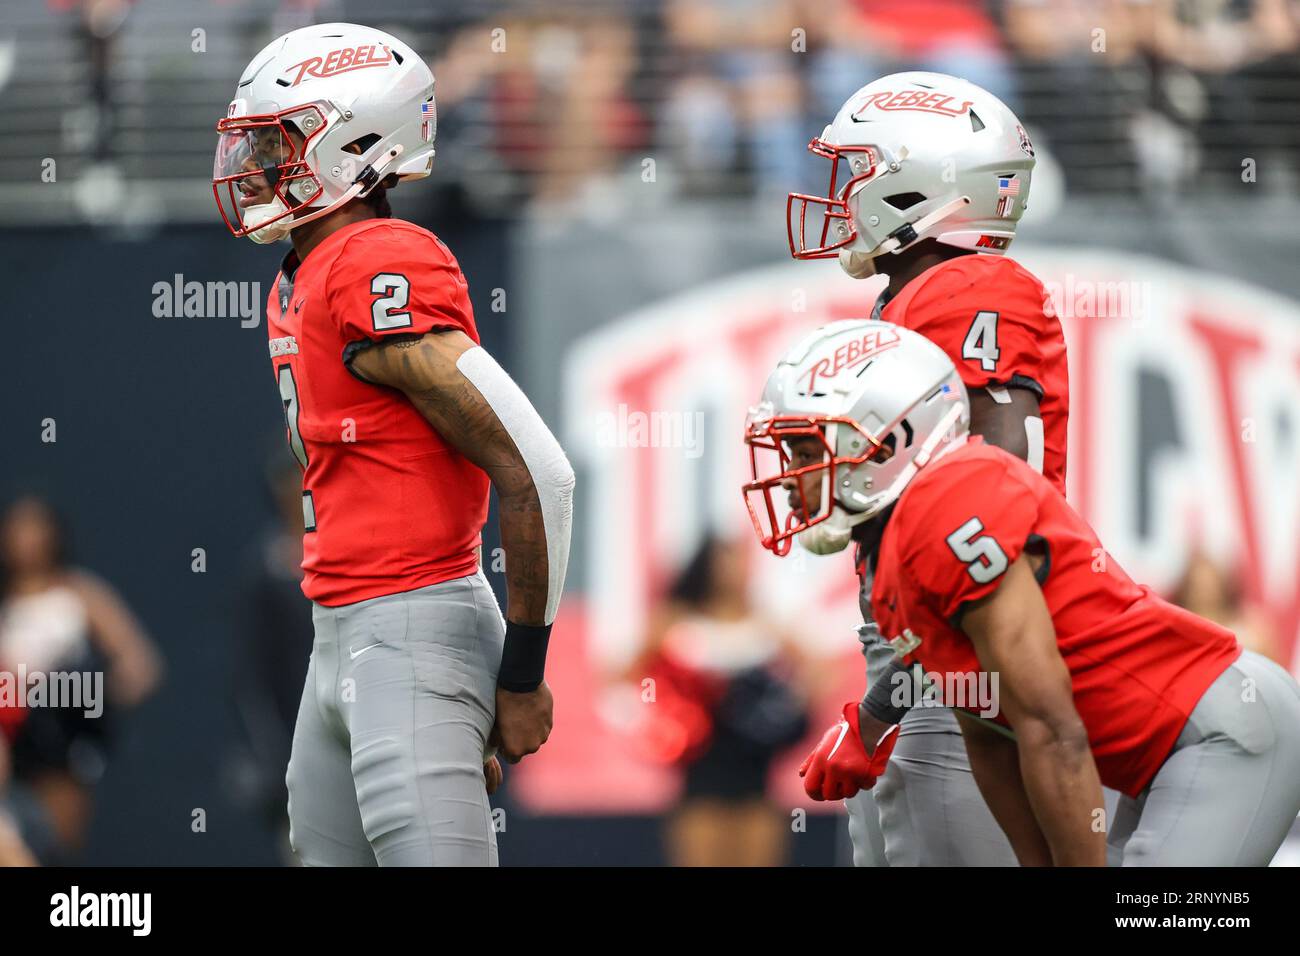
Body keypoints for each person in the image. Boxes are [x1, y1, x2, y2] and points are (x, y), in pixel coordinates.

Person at [212, 22, 574, 866]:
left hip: (411, 629)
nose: (257, 165)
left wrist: (519, 675)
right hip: (338, 633)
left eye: (278, 141)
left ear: (354, 143)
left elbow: (539, 472)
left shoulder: (376, 260)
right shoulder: (301, 277)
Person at [745, 321, 1300, 865]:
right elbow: (989, 735)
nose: (791, 480)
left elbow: (1051, 726)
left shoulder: (951, 502)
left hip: (1215, 733)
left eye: (804, 452)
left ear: (889, 440)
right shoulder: (896, 560)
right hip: (1153, 758)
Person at [782, 71, 1066, 865]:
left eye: (861, 170)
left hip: (966, 656)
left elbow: (993, 518)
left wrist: (881, 707)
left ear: (921, 183)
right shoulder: (926, 292)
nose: (843, 195)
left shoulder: (966, 288)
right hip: (939, 648)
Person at [626, 535, 813, 867]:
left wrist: (781, 711)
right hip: (702, 778)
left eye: (740, 561)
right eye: (727, 560)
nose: (736, 570)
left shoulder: (765, 623)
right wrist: (667, 708)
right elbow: (624, 672)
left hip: (755, 778)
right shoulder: (677, 621)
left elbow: (820, 672)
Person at [0, 494, 161, 863]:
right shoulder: (5, 602)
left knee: (53, 845)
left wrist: (86, 697)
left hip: (60, 750)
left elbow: (140, 666)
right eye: (16, 529)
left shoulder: (79, 593)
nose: (26, 539)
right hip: (10, 744)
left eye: (35, 527)